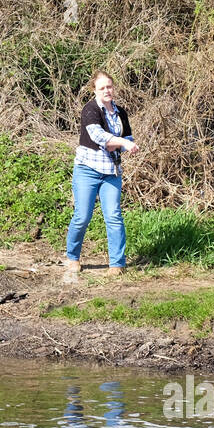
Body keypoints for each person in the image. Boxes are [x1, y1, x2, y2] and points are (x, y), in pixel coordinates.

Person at [64, 71, 138, 281]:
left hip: (111, 172)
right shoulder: (90, 110)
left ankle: (117, 263)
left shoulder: (120, 112)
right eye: (102, 88)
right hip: (87, 170)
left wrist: (126, 144)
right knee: (83, 216)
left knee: (113, 216)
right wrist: (123, 143)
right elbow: (99, 137)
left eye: (109, 87)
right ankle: (73, 257)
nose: (107, 91)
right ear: (94, 90)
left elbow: (128, 136)